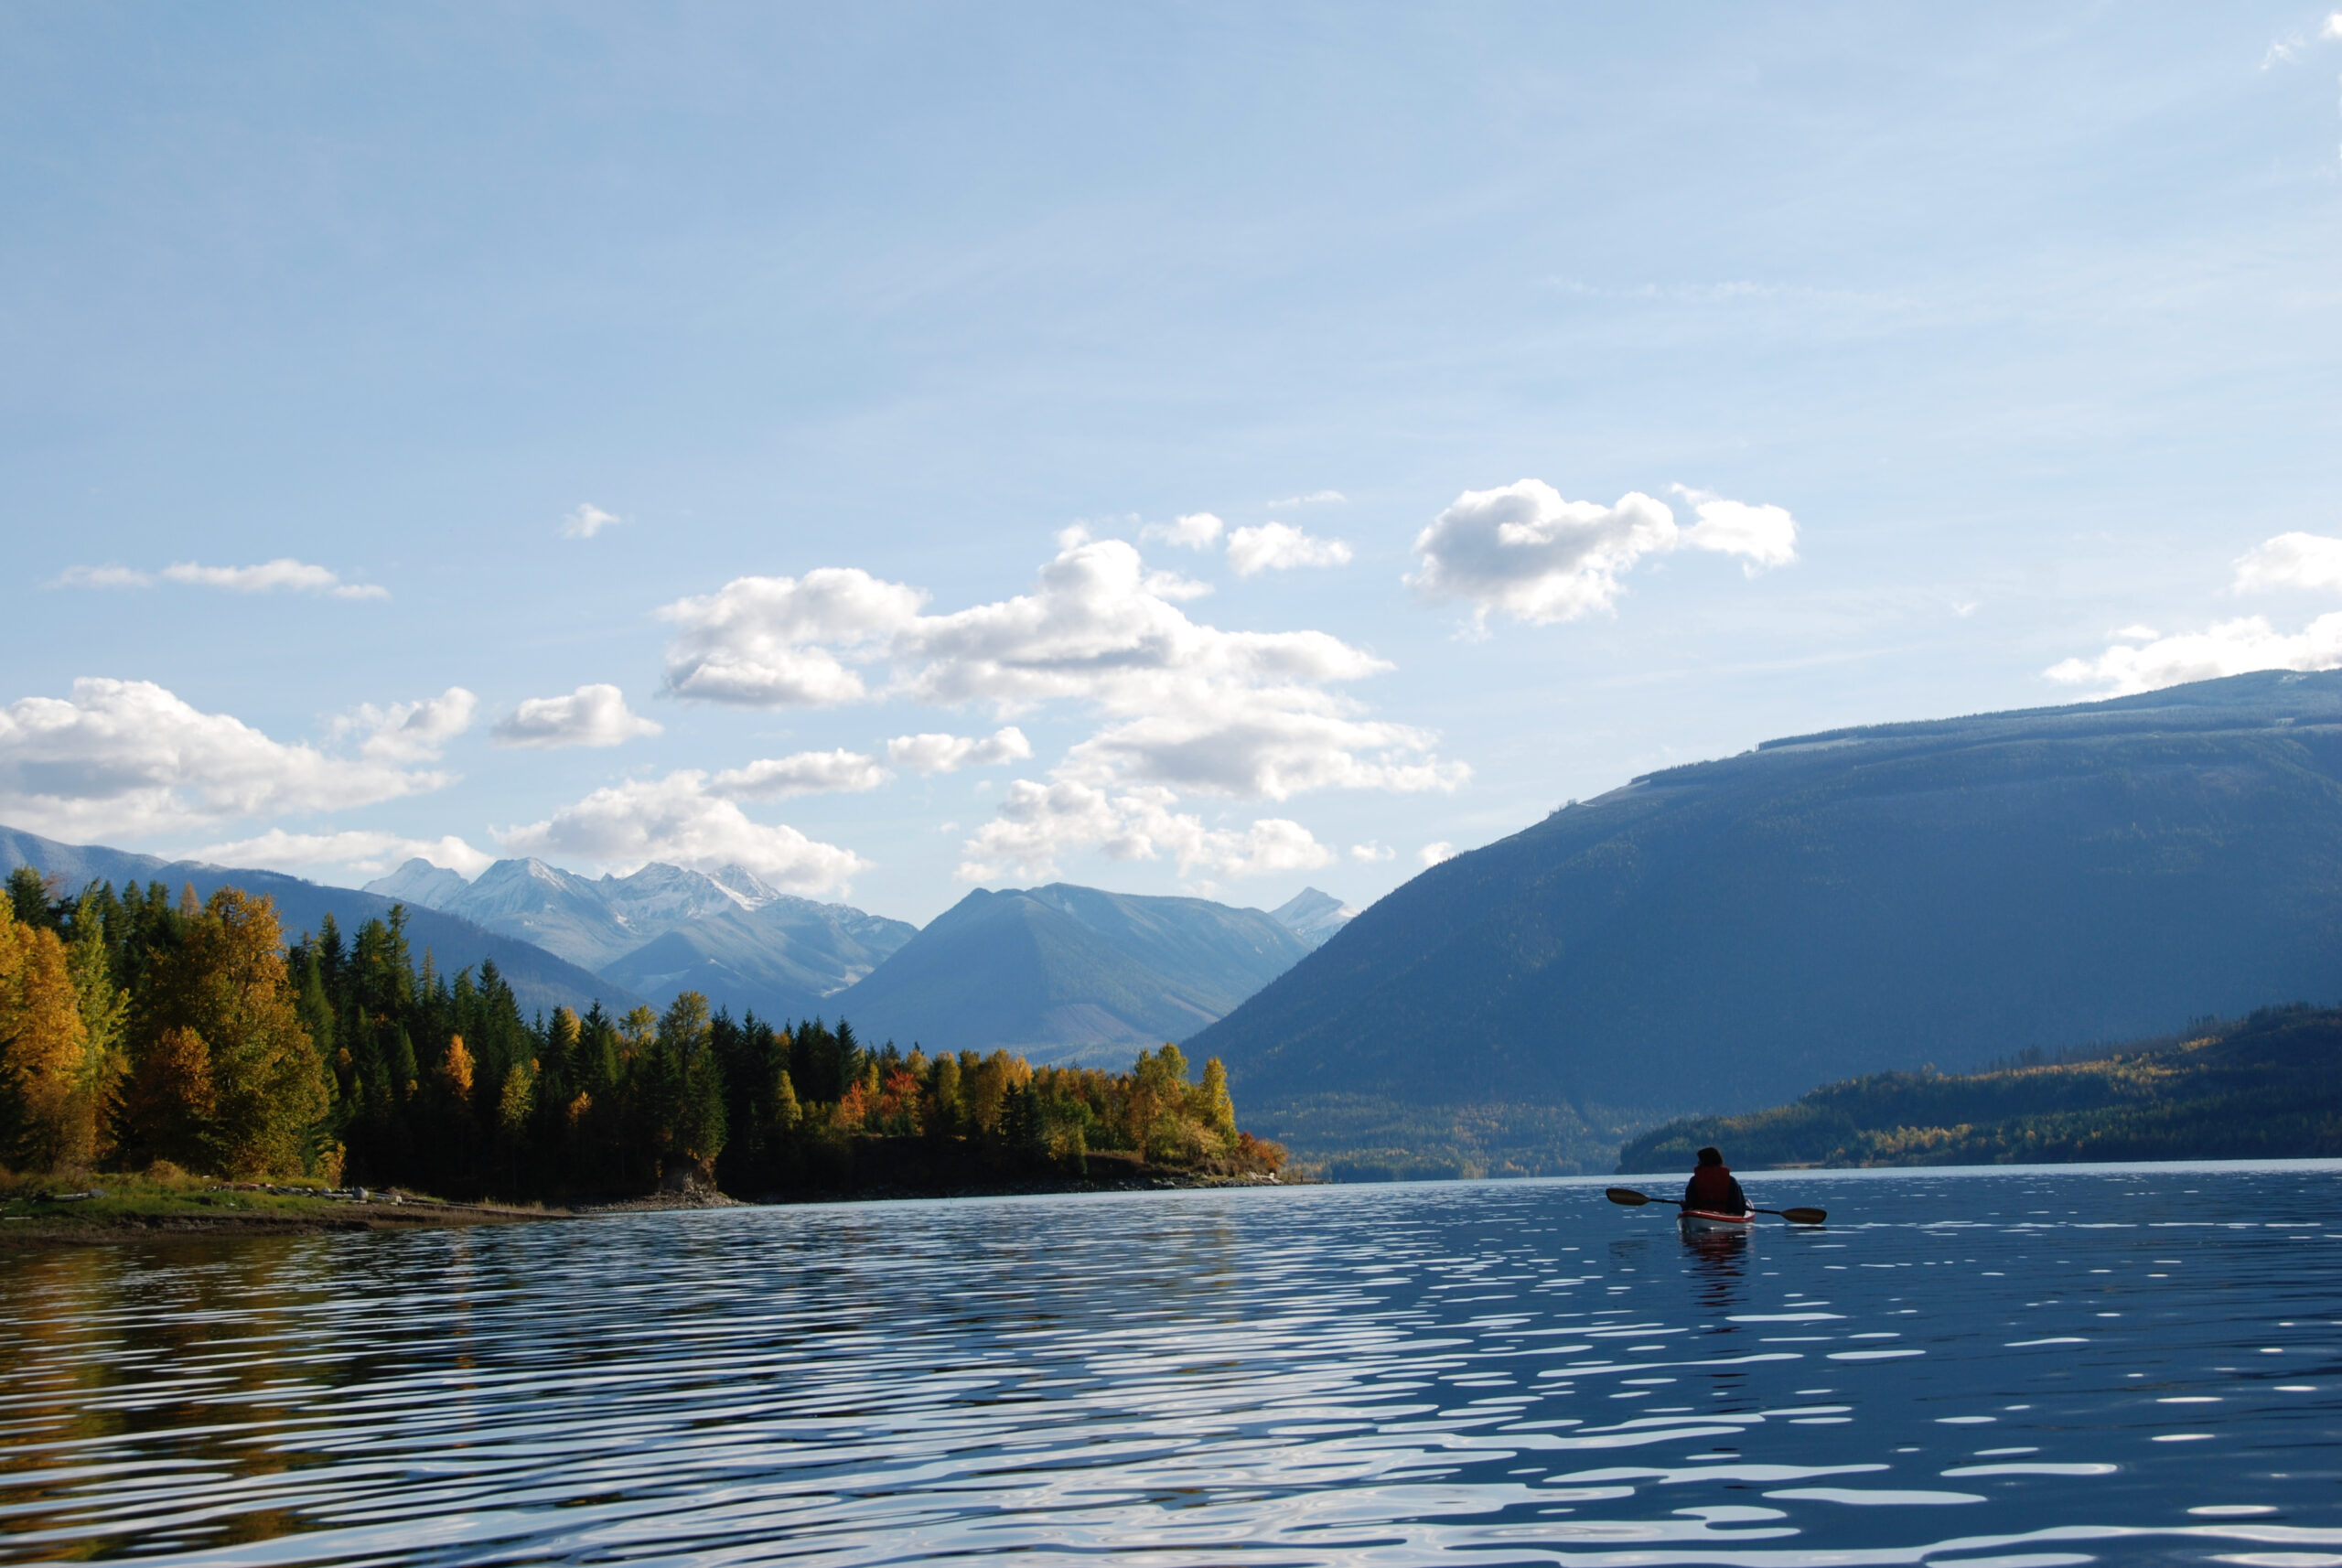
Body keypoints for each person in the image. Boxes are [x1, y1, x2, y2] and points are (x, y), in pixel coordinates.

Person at [1684, 1146, 1750, 1215]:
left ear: (1703, 1162)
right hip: (1727, 1217)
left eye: (1700, 1160)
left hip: (1701, 1216)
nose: (1698, 1163)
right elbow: (1739, 1210)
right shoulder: (1731, 1181)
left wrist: (1684, 1206)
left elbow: (1690, 1205)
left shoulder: (1694, 1181)